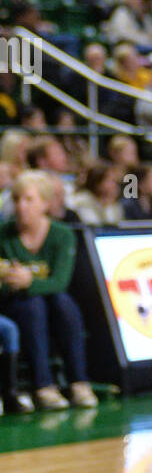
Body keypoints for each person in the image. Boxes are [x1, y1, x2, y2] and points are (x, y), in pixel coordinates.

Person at [0, 170, 98, 408]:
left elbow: (60, 282)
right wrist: (12, 282)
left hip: (52, 303)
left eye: (29, 199)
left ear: (45, 203)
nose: (21, 206)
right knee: (33, 306)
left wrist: (27, 281)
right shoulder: (3, 234)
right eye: (17, 200)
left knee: (62, 303)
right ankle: (43, 386)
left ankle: (79, 382)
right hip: (14, 304)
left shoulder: (62, 235)